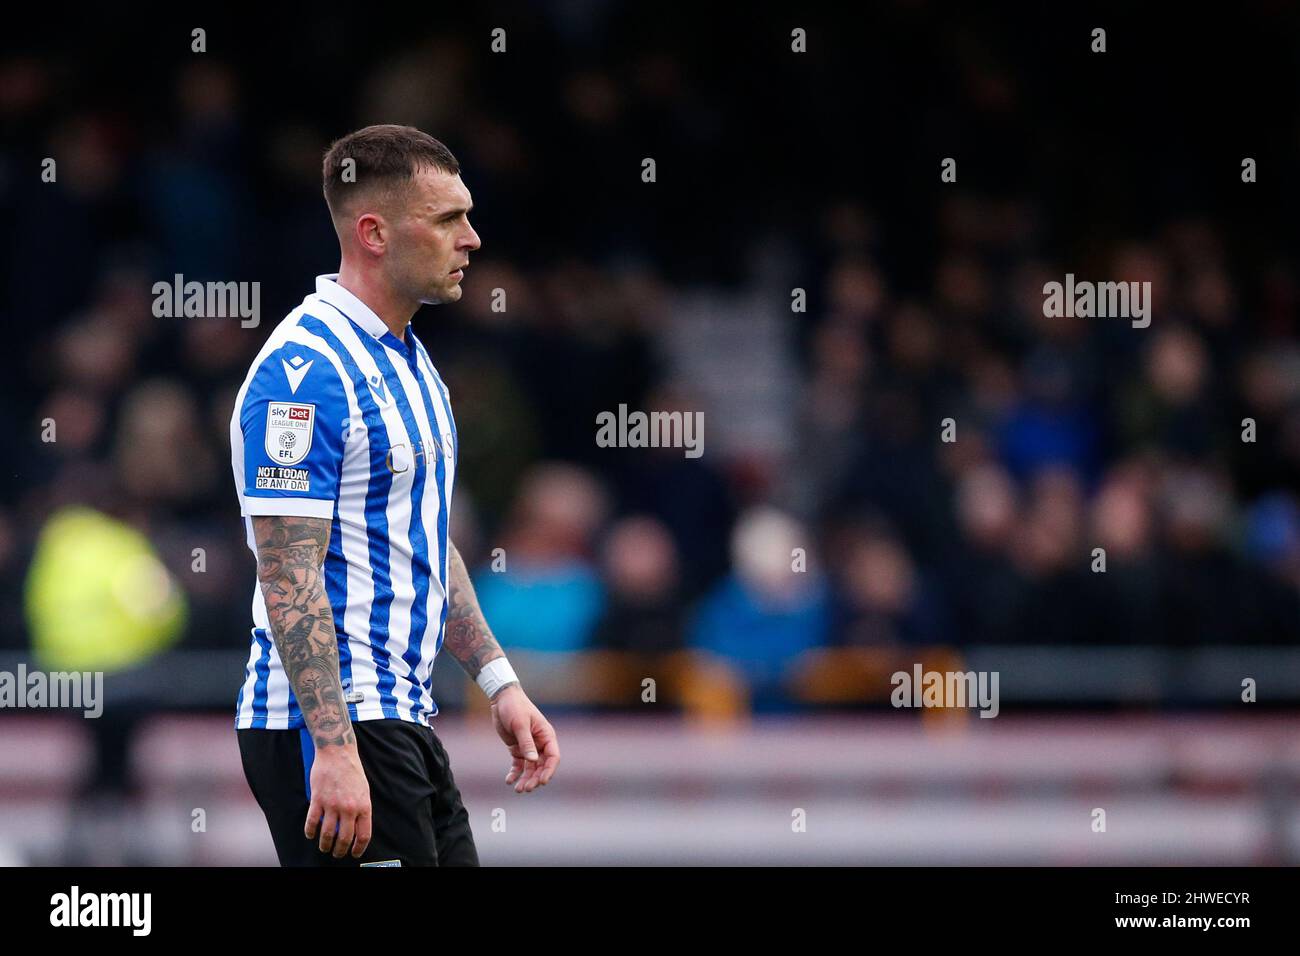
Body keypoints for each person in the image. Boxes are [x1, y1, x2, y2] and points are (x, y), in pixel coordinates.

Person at [228, 124, 559, 866]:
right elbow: (287, 574)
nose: (471, 239)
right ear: (373, 232)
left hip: (401, 717)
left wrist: (499, 681)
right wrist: (336, 749)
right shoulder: (302, 374)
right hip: (334, 723)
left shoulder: (412, 363)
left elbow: (422, 539)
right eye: (448, 220)